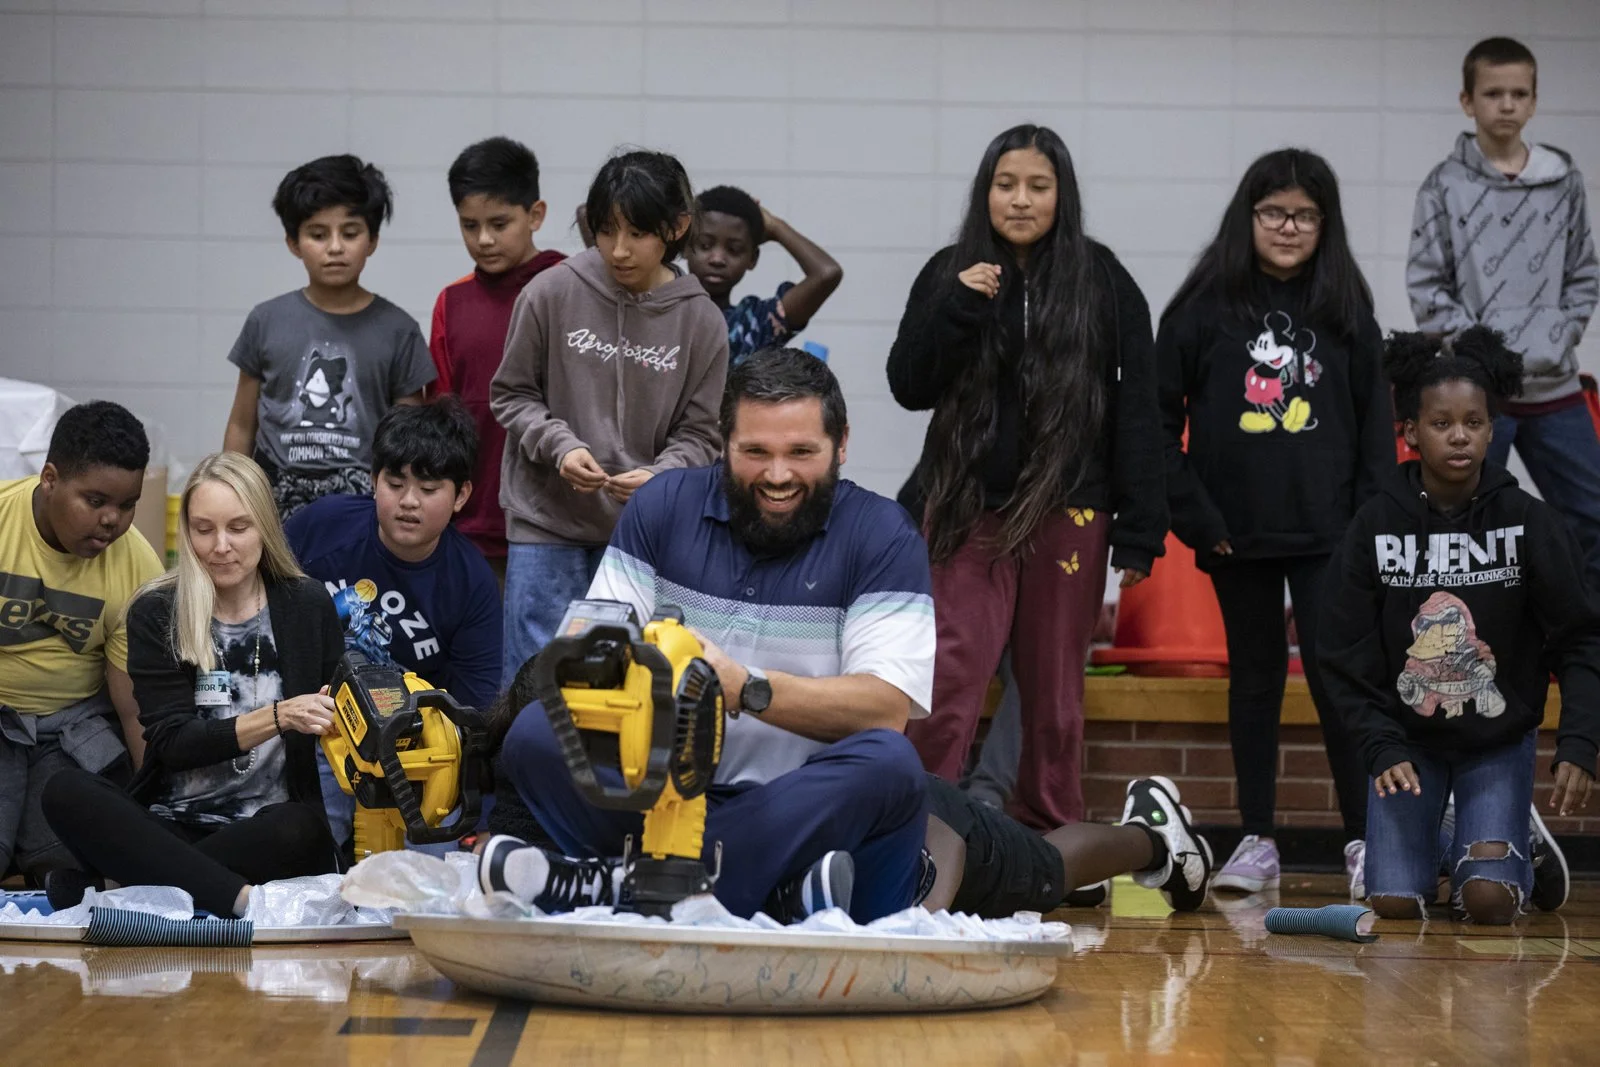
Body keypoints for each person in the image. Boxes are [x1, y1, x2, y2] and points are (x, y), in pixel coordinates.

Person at [479, 349, 931, 924]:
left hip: (802, 809)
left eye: (801, 453)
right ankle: (764, 895)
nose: (777, 475)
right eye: (755, 452)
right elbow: (586, 674)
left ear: (841, 444)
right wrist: (646, 675)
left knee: (890, 764)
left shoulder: (884, 535)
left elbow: (885, 709)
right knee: (538, 734)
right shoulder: (662, 506)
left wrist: (744, 688)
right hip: (660, 799)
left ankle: (623, 887)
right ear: (724, 443)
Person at [887, 123, 1166, 832]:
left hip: (1069, 509)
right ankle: (912, 821)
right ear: (985, 193)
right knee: (949, 669)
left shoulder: (1103, 279)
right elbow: (908, 384)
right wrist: (959, 306)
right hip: (965, 506)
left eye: (1037, 187)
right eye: (1005, 185)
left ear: (1061, 196)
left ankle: (1047, 834)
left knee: (1052, 690)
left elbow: (1140, 411)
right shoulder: (950, 271)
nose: (1019, 200)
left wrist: (1140, 532)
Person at [1158, 148, 1391, 898]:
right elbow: (1156, 426)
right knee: (1254, 681)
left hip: (1334, 539)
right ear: (1247, 216)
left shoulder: (1349, 310)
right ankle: (1256, 839)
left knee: (1338, 680)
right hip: (1237, 534)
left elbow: (1376, 432)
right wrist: (1198, 519)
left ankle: (1364, 840)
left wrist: (1368, 530)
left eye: (1304, 215)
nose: (1288, 227)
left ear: (1325, 224)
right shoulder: (1200, 309)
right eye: (1274, 213)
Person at [1319, 328, 1599, 925]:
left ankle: (1510, 849)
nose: (1459, 436)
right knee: (1394, 903)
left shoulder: (1529, 522)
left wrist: (1579, 741)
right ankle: (1457, 832)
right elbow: (1343, 651)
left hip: (1496, 742)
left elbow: (1581, 636)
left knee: (1488, 902)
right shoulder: (1374, 525)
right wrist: (1379, 743)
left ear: (1492, 431)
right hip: (1407, 746)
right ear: (1410, 433)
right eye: (1442, 423)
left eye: (1473, 422)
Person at [41, 453, 344, 916]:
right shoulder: (157, 610)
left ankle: (120, 891)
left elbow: (340, 708)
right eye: (204, 530)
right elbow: (175, 745)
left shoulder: (307, 603)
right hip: (170, 825)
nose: (221, 546)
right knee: (64, 790)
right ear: (187, 533)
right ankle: (239, 899)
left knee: (301, 828)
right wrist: (281, 716)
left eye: (238, 528)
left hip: (265, 830)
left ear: (265, 525)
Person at [490, 149, 729, 685]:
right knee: (531, 688)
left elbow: (702, 431)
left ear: (677, 227)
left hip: (641, 533)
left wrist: (660, 476)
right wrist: (560, 446)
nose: (618, 250)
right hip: (544, 525)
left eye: (637, 233)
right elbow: (511, 394)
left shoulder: (702, 321)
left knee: (626, 689)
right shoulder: (550, 292)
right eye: (605, 231)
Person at [1407, 37, 1600, 590]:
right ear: (1468, 102)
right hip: (1481, 395)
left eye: (1520, 93)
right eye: (1494, 93)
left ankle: (1582, 644)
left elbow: (1584, 272)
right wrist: (1478, 356)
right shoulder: (1443, 185)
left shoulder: (1563, 179)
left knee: (1592, 517)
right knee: (1463, 529)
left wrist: (1557, 338)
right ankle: (1469, 644)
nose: (1507, 105)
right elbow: (1426, 285)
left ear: (1535, 102)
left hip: (1555, 388)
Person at [285, 398, 503, 850]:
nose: (408, 501)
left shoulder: (472, 582)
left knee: (420, 879)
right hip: (309, 729)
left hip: (408, 753)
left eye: (428, 488)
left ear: (461, 494)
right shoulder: (320, 527)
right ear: (373, 480)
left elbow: (471, 714)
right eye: (395, 482)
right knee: (308, 854)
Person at [0, 402, 165, 883]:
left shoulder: (137, 565)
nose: (113, 520)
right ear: (49, 478)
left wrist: (147, 808)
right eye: (95, 501)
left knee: (68, 865)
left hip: (72, 728)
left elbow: (133, 707)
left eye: (128, 504)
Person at [222, 154, 437, 519]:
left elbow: (407, 441)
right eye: (318, 234)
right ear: (293, 242)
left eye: (350, 233)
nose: (335, 247)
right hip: (275, 499)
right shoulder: (266, 320)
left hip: (363, 503)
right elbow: (242, 423)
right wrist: (227, 499)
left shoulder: (399, 330)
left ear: (372, 240)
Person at [430, 137, 567, 573]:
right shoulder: (451, 302)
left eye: (499, 223)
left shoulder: (571, 286)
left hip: (555, 524)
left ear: (536, 215)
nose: (484, 239)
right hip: (468, 524)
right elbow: (442, 416)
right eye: (470, 226)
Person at [921, 774, 1211, 917]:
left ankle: (1156, 839)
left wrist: (922, 925)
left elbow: (945, 835)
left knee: (1050, 865)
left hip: (957, 840)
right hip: (918, 851)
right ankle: (1084, 881)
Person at [683, 185, 843, 365]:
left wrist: (775, 226)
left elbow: (826, 274)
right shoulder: (660, 308)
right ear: (686, 247)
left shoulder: (753, 324)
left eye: (734, 250)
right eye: (705, 245)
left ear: (752, 258)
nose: (717, 259)